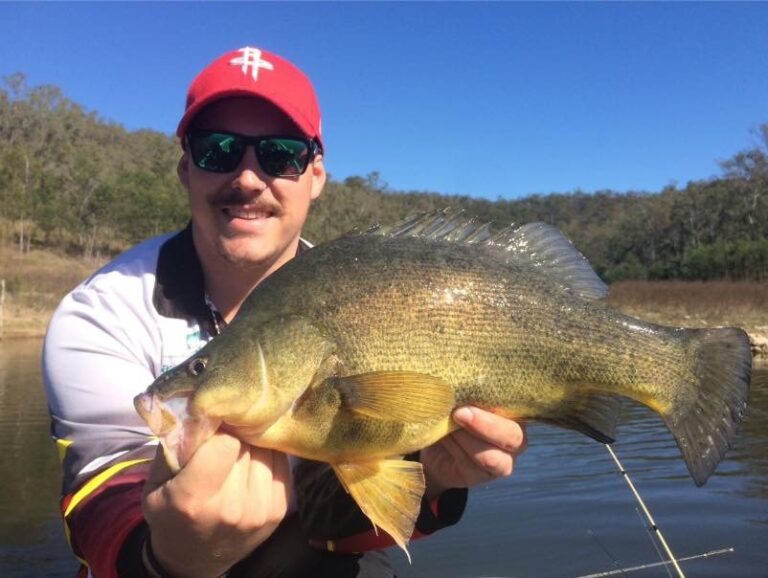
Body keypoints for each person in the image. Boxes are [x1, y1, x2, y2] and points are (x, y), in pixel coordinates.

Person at [43, 46, 527, 578]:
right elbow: (100, 503)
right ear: (186, 167)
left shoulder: (373, 286)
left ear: (316, 174)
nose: (249, 178)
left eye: (280, 154)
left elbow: (337, 524)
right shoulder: (101, 314)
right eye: (218, 149)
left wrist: (434, 479)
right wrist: (168, 561)